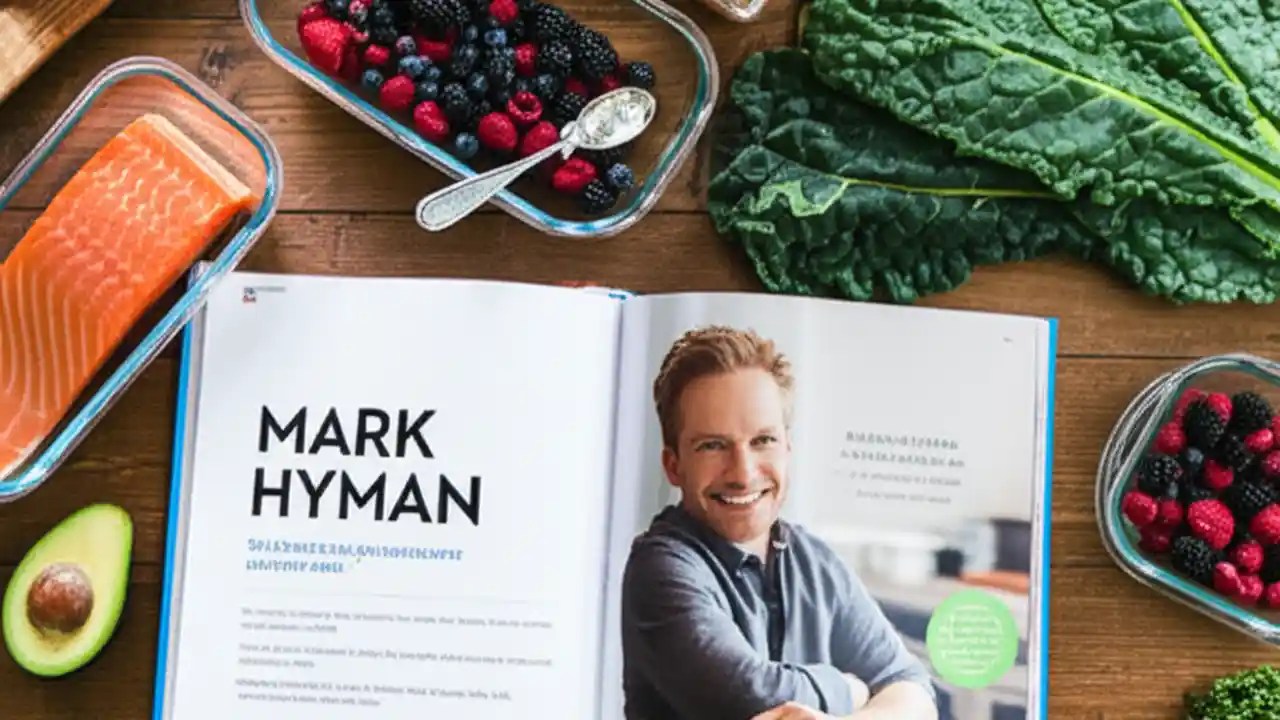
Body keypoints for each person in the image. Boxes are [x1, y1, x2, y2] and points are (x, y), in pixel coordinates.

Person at [620, 325, 939, 720]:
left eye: (762, 441)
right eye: (713, 446)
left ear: (787, 448)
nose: (743, 472)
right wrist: (850, 688)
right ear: (674, 465)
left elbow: (913, 689)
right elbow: (750, 696)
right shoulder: (660, 568)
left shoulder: (814, 561)